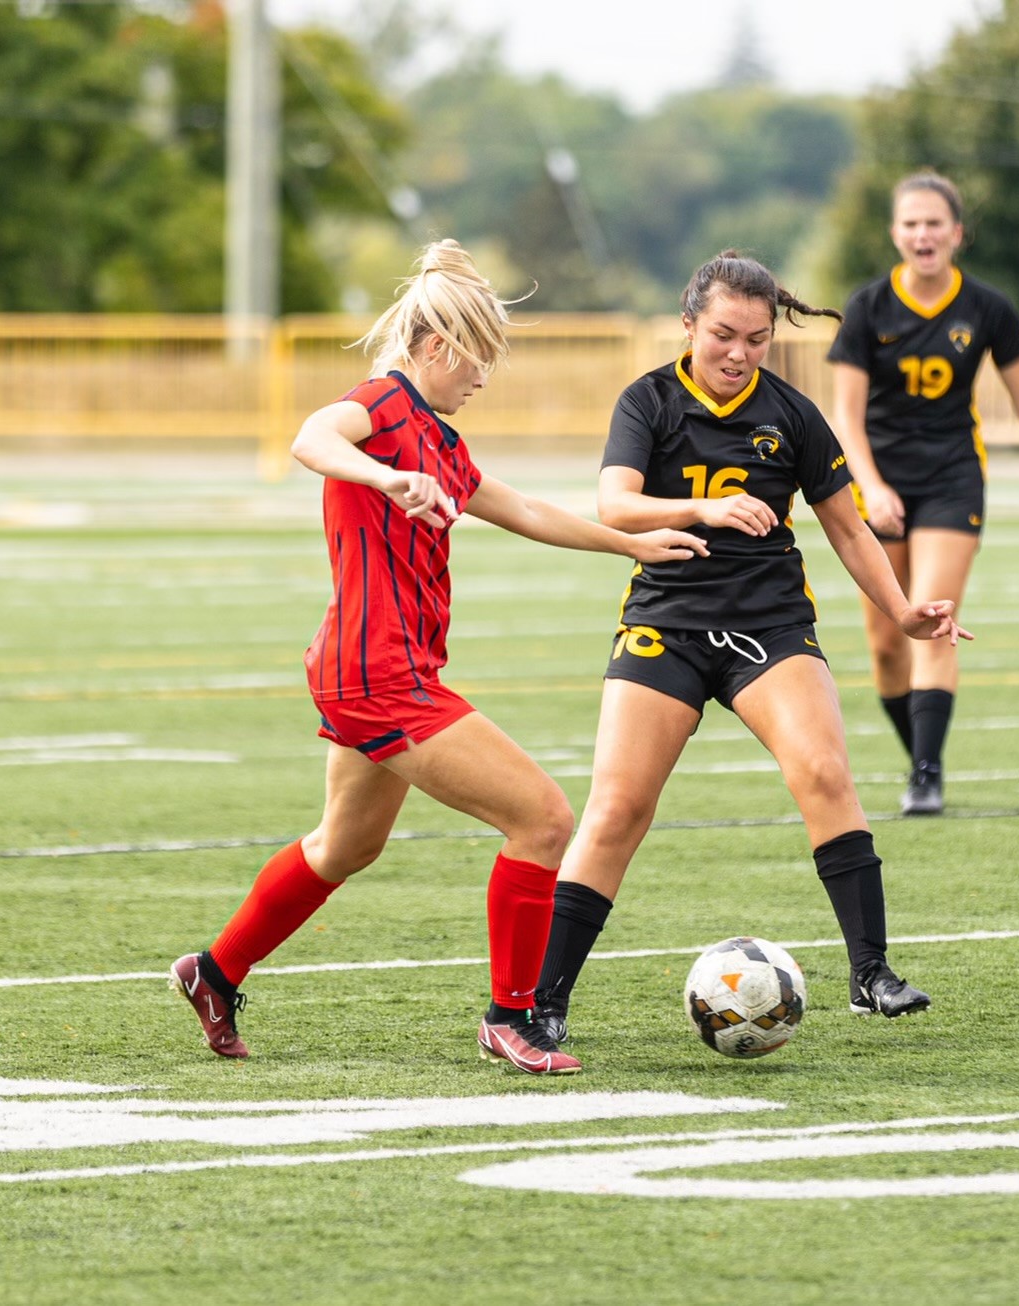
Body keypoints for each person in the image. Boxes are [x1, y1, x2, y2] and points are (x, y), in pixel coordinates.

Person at [170, 239, 705, 1075]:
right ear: (437, 347)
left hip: (372, 666)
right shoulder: (379, 407)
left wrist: (636, 544)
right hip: (380, 673)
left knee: (344, 847)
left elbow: (524, 507)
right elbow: (312, 438)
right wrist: (384, 481)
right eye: (478, 360)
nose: (482, 379)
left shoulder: (441, 441)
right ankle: (511, 1018)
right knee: (543, 819)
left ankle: (214, 970)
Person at [531, 251, 971, 1052]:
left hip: (768, 627)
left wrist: (904, 612)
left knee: (824, 771)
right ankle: (546, 1002)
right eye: (724, 335)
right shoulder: (650, 400)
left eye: (757, 340)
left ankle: (870, 974)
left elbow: (846, 526)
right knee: (618, 807)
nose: (738, 354)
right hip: (664, 624)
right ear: (689, 323)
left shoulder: (792, 414)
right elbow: (614, 504)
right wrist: (708, 507)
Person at [828, 170, 1019, 817]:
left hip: (950, 477)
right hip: (878, 483)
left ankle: (925, 773)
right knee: (887, 643)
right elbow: (845, 417)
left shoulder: (987, 308)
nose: (922, 234)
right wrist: (870, 486)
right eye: (910, 223)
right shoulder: (866, 308)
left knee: (933, 618)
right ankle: (919, 750)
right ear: (895, 233)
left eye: (934, 223)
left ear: (956, 234)